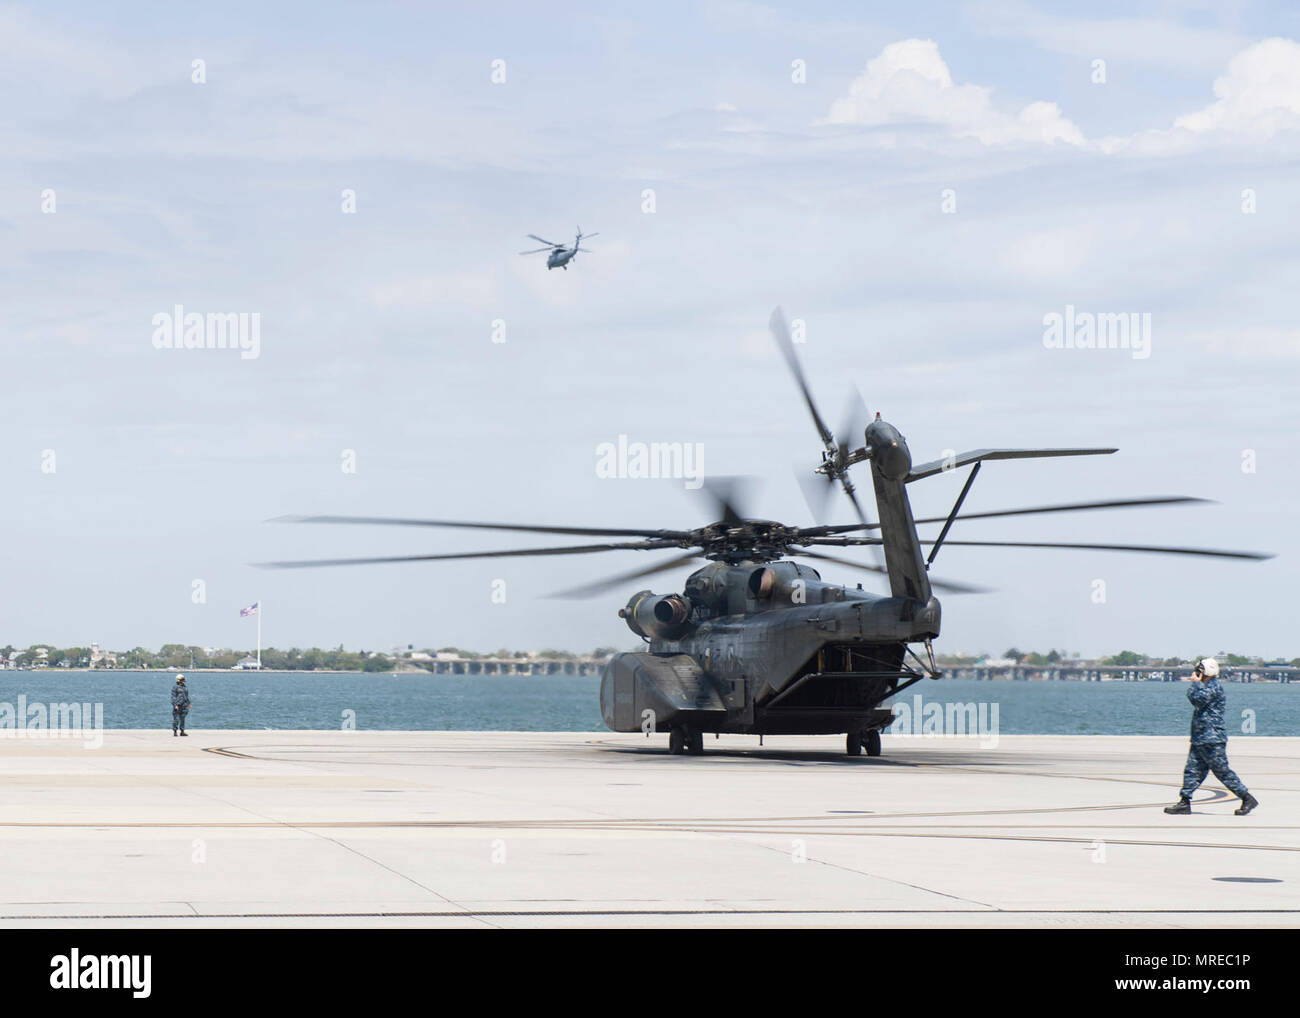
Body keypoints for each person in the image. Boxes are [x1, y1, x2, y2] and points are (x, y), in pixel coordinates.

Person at [1164, 658, 1257, 815]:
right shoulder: (1207, 687)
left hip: (1212, 738)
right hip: (1201, 737)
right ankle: (1184, 802)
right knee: (1192, 770)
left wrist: (1194, 683)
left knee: (1222, 771)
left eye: (1200, 670)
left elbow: (1197, 700)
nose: (1196, 673)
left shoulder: (1213, 688)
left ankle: (1247, 798)